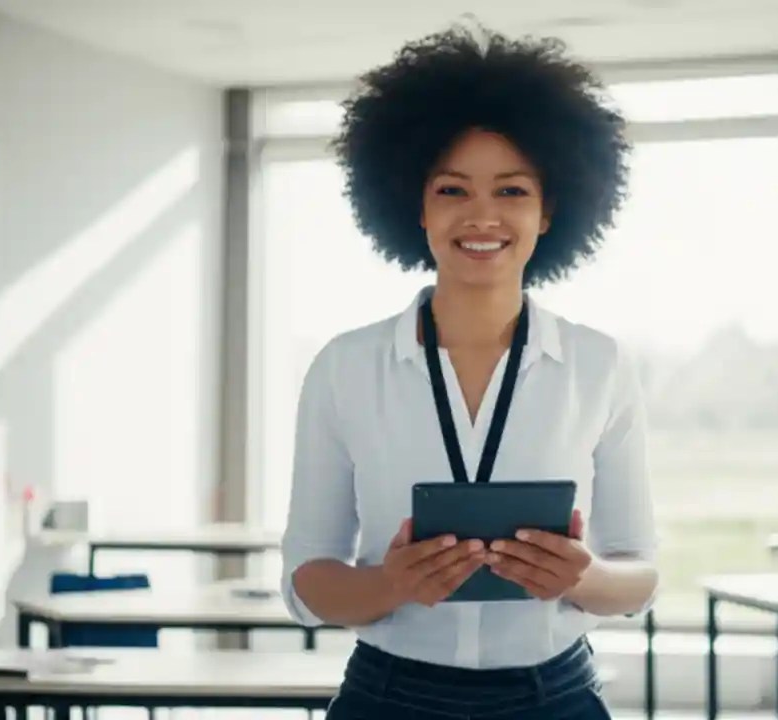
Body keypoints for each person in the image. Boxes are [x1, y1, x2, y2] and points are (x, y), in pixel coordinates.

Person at [281, 22, 658, 719]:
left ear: (550, 211)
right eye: (453, 190)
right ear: (414, 205)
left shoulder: (598, 364)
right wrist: (391, 584)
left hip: (557, 698)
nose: (482, 216)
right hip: (390, 697)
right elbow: (308, 578)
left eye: (512, 191)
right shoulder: (345, 367)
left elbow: (640, 574)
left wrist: (586, 577)